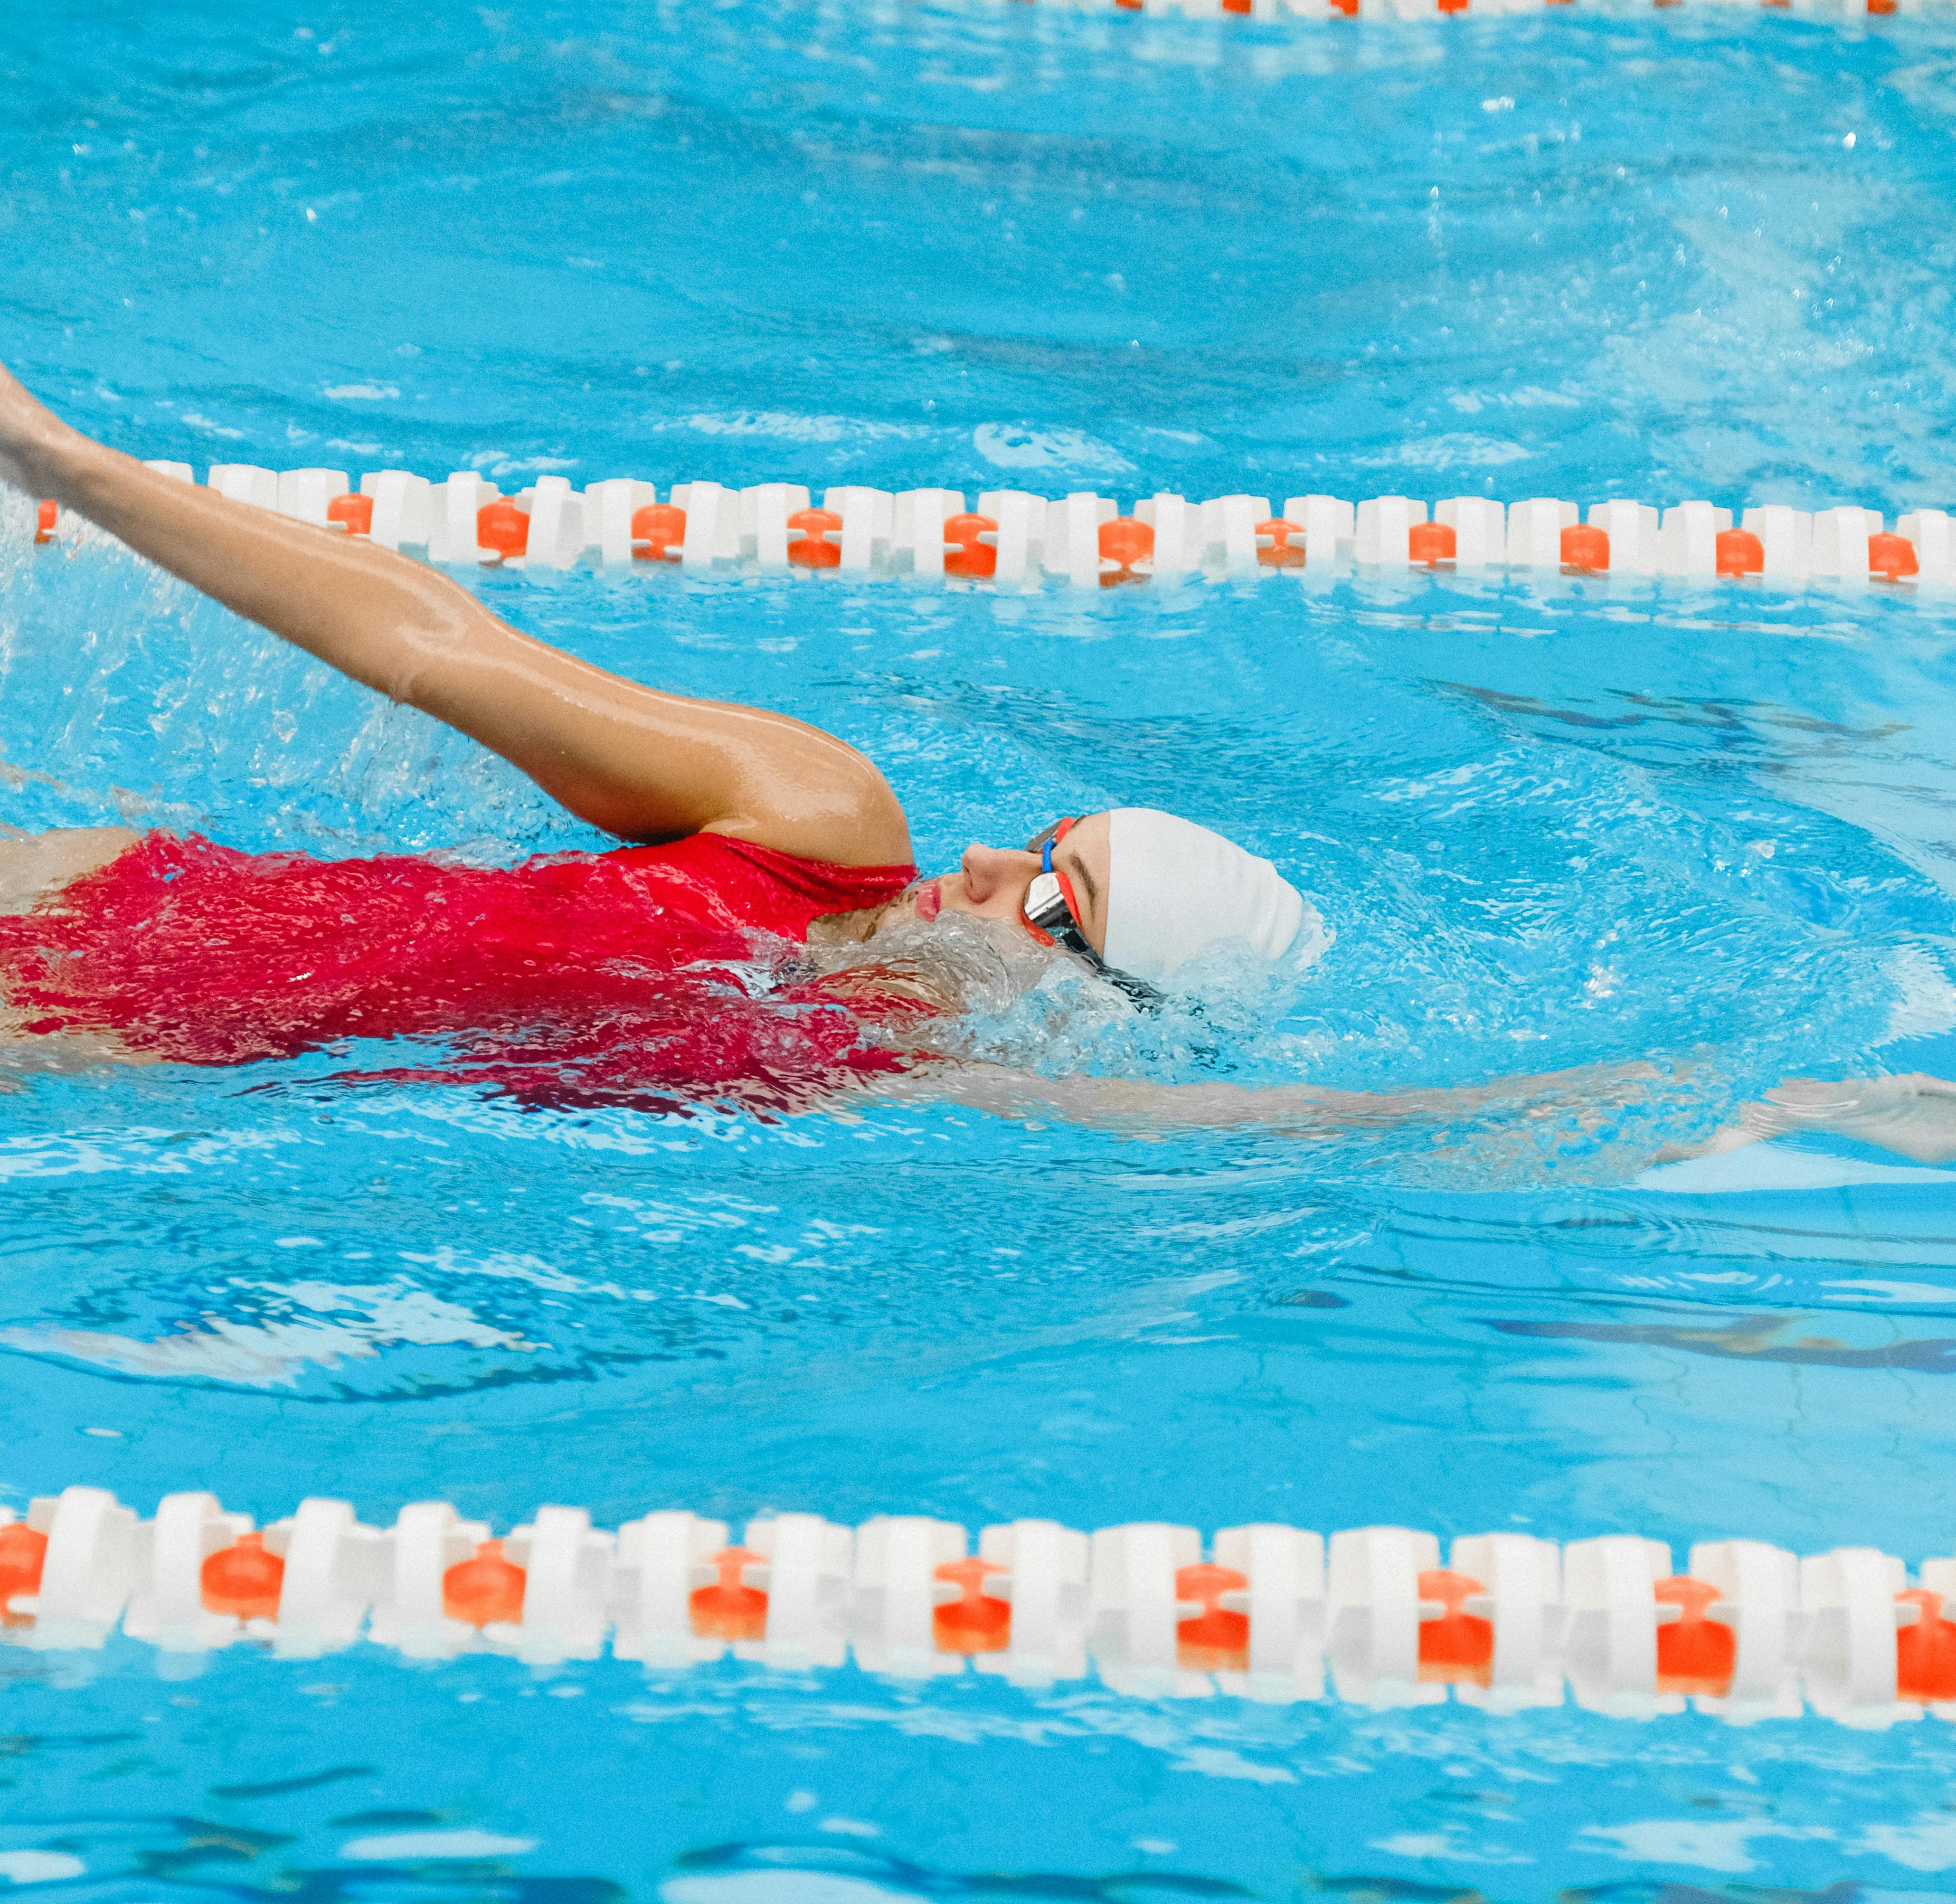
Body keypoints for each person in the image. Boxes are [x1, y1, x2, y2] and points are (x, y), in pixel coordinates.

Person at [4, 360, 1956, 1159]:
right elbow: (438, 645)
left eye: (1052, 894)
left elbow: (1358, 1127)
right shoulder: (812, 824)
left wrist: (1798, 1112)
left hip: (103, 1061)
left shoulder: (916, 1078)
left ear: (1093, 992)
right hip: (102, 906)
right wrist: (61, 461)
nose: (992, 869)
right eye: (1043, 839)